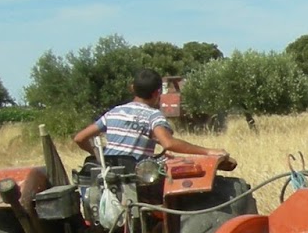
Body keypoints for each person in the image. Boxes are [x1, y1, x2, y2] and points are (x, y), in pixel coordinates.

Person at [74, 68, 232, 166]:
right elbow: (168, 143)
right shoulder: (153, 116)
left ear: (132, 88)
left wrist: (99, 156)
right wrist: (207, 151)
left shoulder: (114, 112)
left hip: (109, 178)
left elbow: (79, 138)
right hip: (138, 181)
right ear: (158, 93)